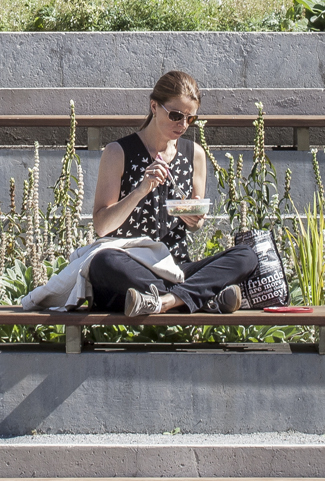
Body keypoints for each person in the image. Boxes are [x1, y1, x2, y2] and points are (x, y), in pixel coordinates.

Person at [86, 70, 259, 318]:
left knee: (246, 255)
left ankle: (167, 301)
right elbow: (102, 226)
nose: (183, 124)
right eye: (176, 115)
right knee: (103, 263)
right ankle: (200, 298)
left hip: (175, 266)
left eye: (190, 118)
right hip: (132, 264)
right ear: (154, 106)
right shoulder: (118, 152)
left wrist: (195, 219)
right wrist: (140, 191)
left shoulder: (194, 154)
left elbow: (196, 224)